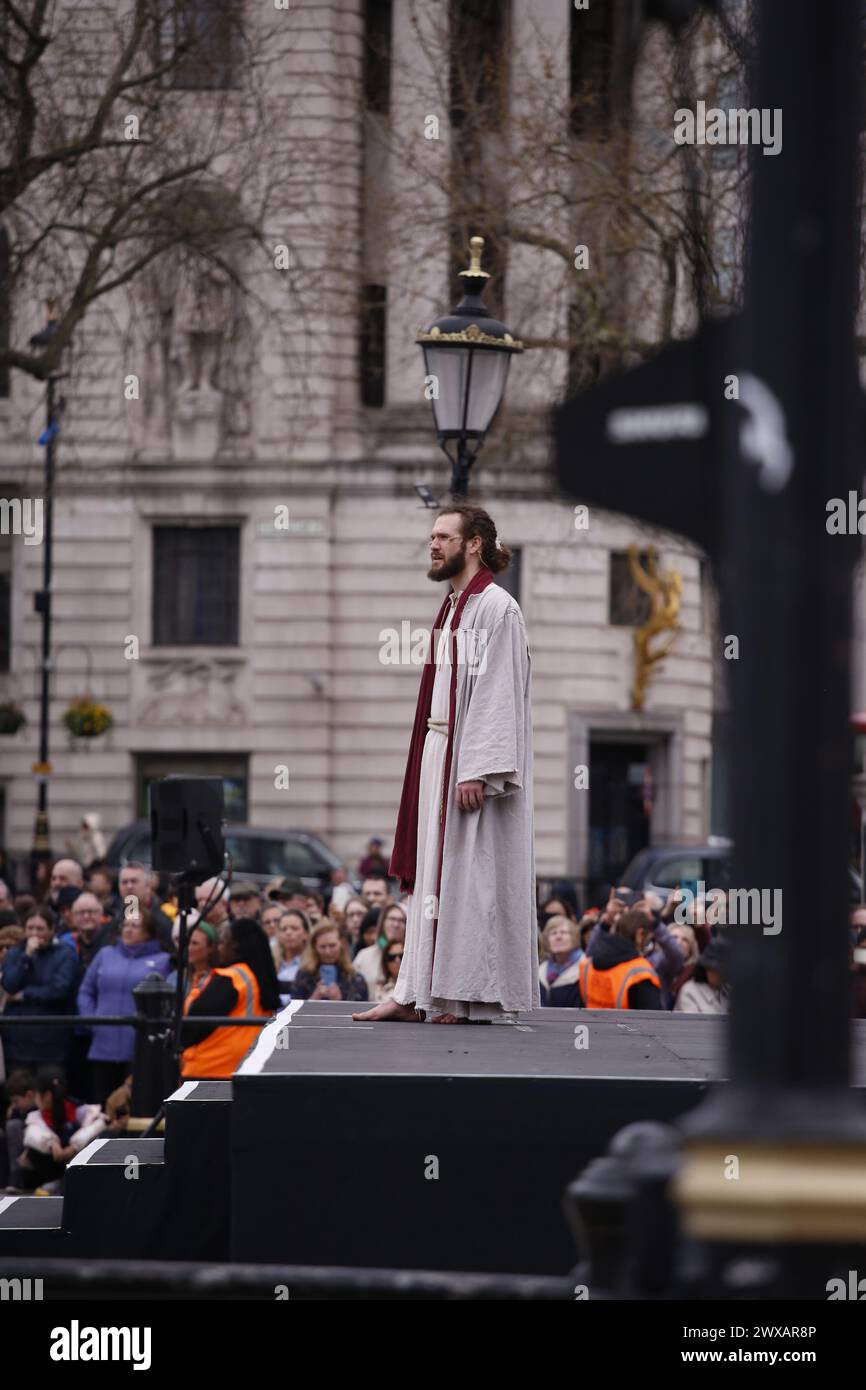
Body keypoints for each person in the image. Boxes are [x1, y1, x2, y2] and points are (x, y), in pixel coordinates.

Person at [355, 504, 538, 1024]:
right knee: (435, 880)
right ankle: (414, 990)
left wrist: (477, 767)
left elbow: (498, 692)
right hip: (441, 752)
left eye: (443, 537)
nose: (432, 545)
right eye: (431, 537)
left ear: (474, 542)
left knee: (470, 878)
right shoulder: (455, 604)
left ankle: (465, 996)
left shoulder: (496, 607)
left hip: (466, 761)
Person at [77, 908, 171, 1105]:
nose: (128, 930)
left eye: (135, 926)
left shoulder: (163, 960)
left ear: (148, 931)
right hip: (103, 1042)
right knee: (103, 1105)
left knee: (134, 1104)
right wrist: (91, 1020)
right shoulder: (105, 954)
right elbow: (86, 990)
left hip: (137, 1044)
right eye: (126, 925)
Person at [181, 918, 280, 1079]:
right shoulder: (259, 978)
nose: (219, 949)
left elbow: (197, 1019)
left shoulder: (232, 977)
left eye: (222, 942)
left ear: (233, 945)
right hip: (245, 1070)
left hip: (210, 1071)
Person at [0, 907, 79, 1073]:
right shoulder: (16, 953)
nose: (35, 933)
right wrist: (27, 957)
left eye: (40, 929)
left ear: (51, 930)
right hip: (17, 1041)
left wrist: (25, 995)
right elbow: (9, 984)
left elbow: (59, 990)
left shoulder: (65, 954)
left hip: (51, 1040)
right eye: (30, 928)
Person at [20, 1067, 108, 1194]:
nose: (36, 1099)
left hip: (74, 1162)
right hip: (52, 1162)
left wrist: (74, 1147)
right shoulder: (37, 1115)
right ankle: (52, 1182)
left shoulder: (77, 1110)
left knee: (94, 1140)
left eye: (38, 1094)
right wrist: (52, 1144)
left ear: (47, 1096)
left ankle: (64, 1183)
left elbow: (98, 1124)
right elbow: (33, 1133)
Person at [578, 907, 662, 1010]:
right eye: (648, 940)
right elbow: (653, 1021)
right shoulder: (641, 973)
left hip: (591, 1025)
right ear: (640, 935)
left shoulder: (587, 964)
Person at [292, 921, 368, 1002]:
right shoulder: (304, 976)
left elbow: (361, 1010)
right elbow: (293, 1007)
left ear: (341, 944)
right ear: (315, 948)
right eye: (322, 947)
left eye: (332, 946)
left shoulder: (354, 978)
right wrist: (314, 999)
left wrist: (339, 1001)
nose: (327, 951)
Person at [352, 902, 407, 997]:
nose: (396, 924)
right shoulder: (364, 956)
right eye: (392, 919)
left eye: (401, 920)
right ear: (383, 922)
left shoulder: (412, 958)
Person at [674, 937, 730, 1014]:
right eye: (716, 970)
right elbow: (690, 1024)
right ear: (705, 968)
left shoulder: (727, 990)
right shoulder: (689, 991)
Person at [538, 916, 583, 1008]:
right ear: (547, 940)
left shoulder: (585, 967)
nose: (558, 937)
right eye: (553, 933)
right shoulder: (540, 970)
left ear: (574, 938)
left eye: (563, 932)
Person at [167, 924, 219, 996]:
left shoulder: (218, 980)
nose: (188, 948)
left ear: (210, 948)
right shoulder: (175, 977)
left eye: (195, 943)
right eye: (187, 943)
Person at [273, 909, 310, 1003]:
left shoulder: (312, 965)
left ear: (306, 933)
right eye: (283, 929)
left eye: (294, 928)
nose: (288, 933)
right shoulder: (271, 964)